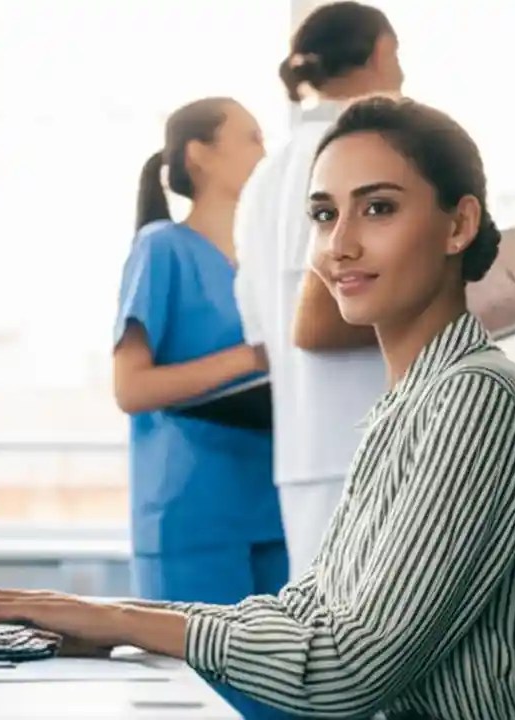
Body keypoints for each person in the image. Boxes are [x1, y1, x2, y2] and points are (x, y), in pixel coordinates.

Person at [0, 97, 515, 720]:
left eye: (378, 208)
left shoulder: (477, 401)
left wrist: (120, 619)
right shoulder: (406, 408)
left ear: (458, 225)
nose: (340, 244)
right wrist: (118, 619)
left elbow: (346, 669)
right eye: (322, 214)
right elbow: (306, 611)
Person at [114, 97, 289, 719]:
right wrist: (253, 358)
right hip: (191, 513)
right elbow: (131, 388)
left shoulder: (261, 264)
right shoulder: (162, 248)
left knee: (284, 697)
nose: (264, 153)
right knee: (205, 701)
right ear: (199, 155)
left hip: (269, 505)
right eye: (249, 138)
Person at [235, 1, 403, 579]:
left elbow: (261, 342)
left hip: (305, 454)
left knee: (327, 638)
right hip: (379, 442)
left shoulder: (266, 177)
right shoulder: (369, 151)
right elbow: (325, 321)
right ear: (381, 52)